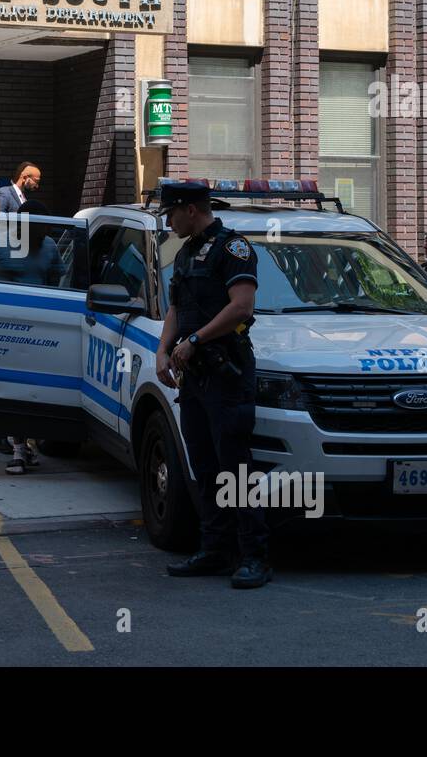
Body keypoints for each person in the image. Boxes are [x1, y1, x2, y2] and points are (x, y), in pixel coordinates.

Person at [156, 182, 271, 589]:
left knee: (235, 468)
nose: (167, 221)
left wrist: (195, 340)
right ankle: (215, 550)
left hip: (227, 374)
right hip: (196, 376)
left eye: (171, 213)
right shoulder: (185, 252)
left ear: (190, 209)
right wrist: (163, 350)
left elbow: (241, 306)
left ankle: (253, 555)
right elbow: (175, 306)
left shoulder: (232, 248)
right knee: (204, 466)